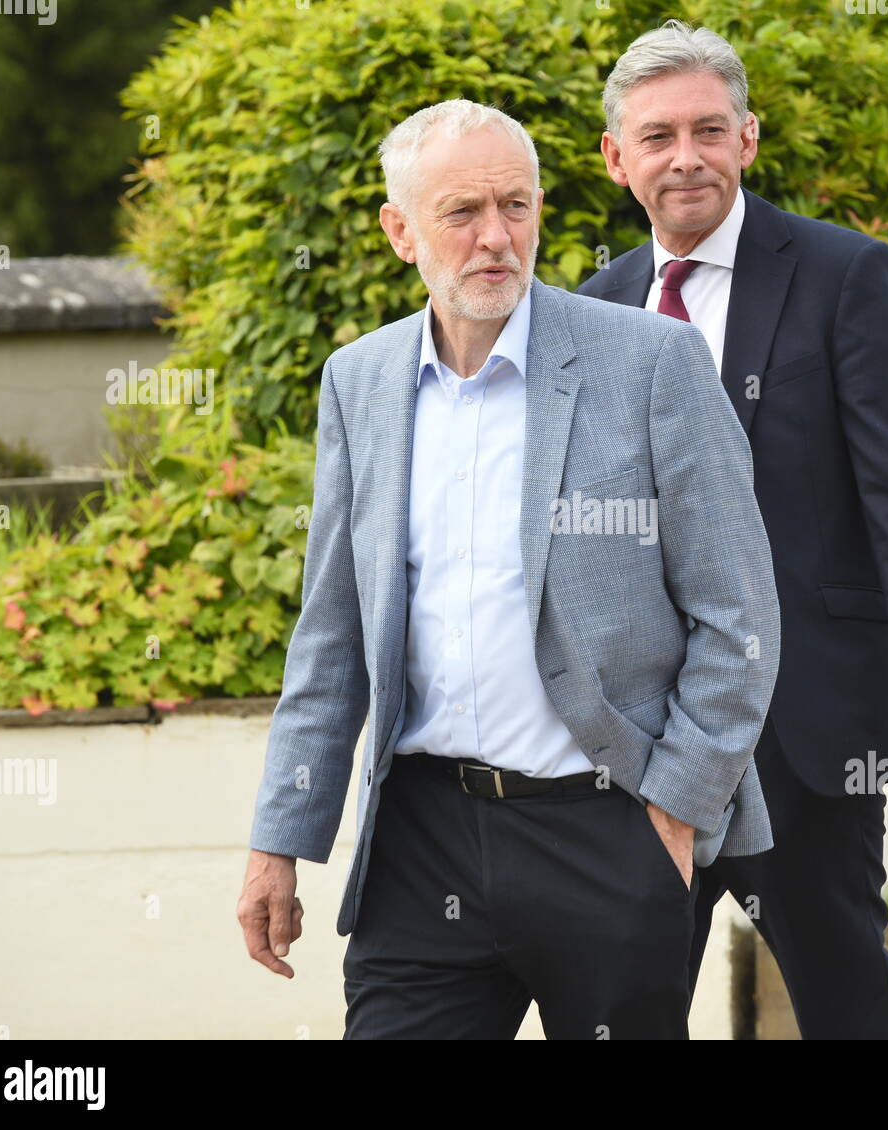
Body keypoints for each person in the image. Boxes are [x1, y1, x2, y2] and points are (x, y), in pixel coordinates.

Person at [236, 98, 781, 1040]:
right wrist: (280, 838)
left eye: (517, 206)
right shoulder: (358, 382)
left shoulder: (652, 362)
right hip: (421, 843)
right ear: (400, 232)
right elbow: (331, 637)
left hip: (608, 831)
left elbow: (739, 619)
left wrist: (676, 816)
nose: (497, 237)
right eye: (462, 213)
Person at [578, 20, 888, 1040]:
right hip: (641, 750)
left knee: (847, 1002)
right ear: (616, 158)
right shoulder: (593, 306)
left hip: (803, 740)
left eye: (708, 130)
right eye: (659, 136)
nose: (686, 157)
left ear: (748, 139)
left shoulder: (841, 273)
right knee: (617, 1010)